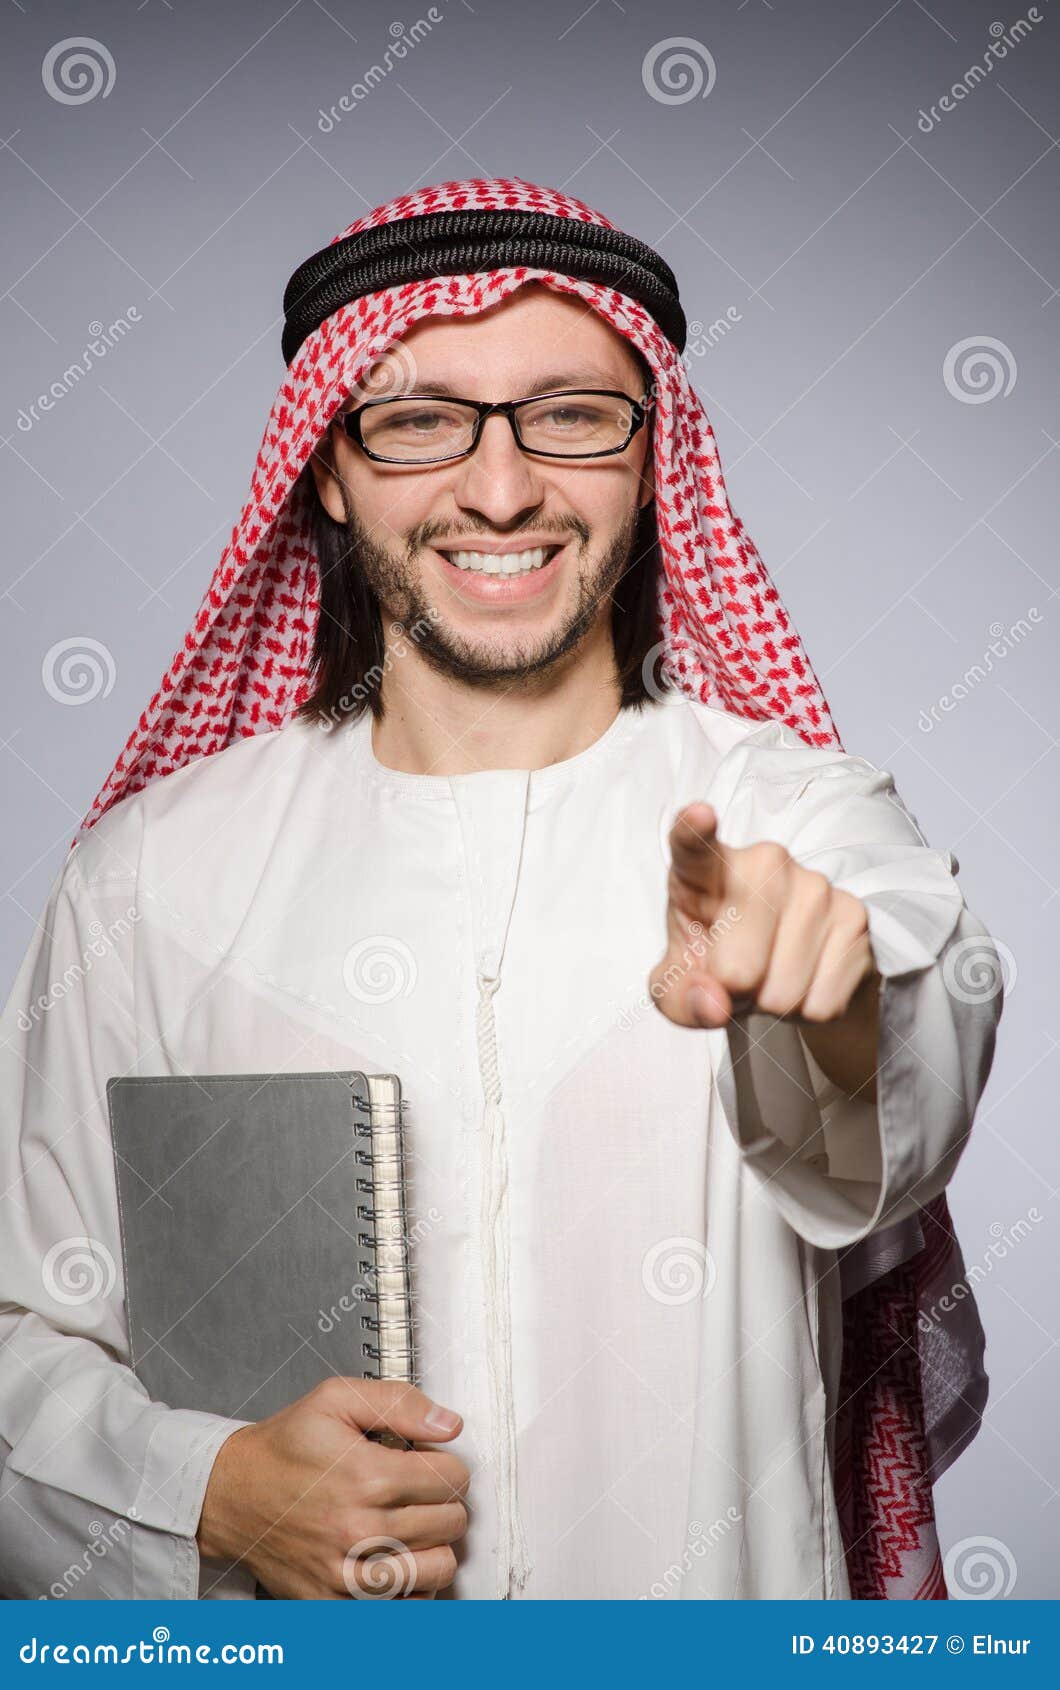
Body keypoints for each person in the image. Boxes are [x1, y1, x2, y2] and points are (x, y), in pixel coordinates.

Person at [0, 177, 1003, 1602]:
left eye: (572, 415)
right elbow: (23, 1334)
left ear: (653, 458)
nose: (500, 486)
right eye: (418, 419)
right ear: (328, 470)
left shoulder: (800, 816)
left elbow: (906, 1070)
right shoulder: (148, 883)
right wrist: (207, 1489)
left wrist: (826, 1005)